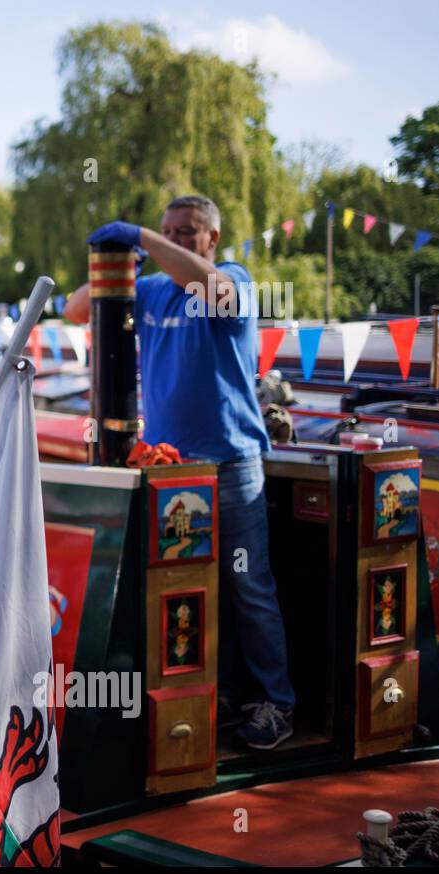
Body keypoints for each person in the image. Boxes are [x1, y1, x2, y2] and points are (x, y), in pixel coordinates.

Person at [64, 195, 296, 750]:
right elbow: (75, 310)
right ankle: (211, 697)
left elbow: (211, 288)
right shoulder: (147, 290)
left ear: (211, 239)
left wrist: (142, 236)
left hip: (232, 462)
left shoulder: (232, 280)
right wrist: (113, 257)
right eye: (169, 231)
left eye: (186, 232)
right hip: (172, 472)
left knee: (249, 586)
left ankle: (277, 703)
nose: (175, 239)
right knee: (186, 589)